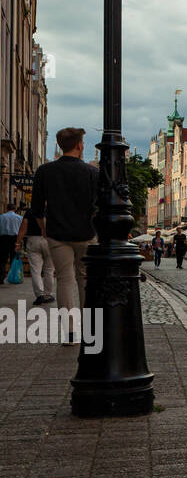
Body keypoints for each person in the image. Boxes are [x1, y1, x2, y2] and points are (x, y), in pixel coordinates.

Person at [29, 127, 99, 345]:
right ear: (79, 145)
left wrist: (44, 227)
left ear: (60, 145)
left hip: (57, 234)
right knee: (85, 280)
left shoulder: (44, 171)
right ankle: (90, 332)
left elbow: (37, 208)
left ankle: (70, 334)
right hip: (86, 234)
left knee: (65, 280)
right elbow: (98, 206)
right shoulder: (92, 172)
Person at [16, 206, 54, 305]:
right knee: (49, 270)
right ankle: (48, 295)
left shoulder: (30, 210)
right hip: (50, 240)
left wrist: (18, 243)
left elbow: (23, 227)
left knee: (35, 269)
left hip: (33, 240)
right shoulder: (53, 209)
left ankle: (39, 295)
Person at [0, 203, 22, 276]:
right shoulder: (19, 218)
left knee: (2, 259)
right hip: (15, 239)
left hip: (4, 239)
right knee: (14, 258)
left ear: (7, 208)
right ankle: (14, 276)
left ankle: (1, 277)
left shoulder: (1, 217)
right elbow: (22, 230)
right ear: (15, 209)